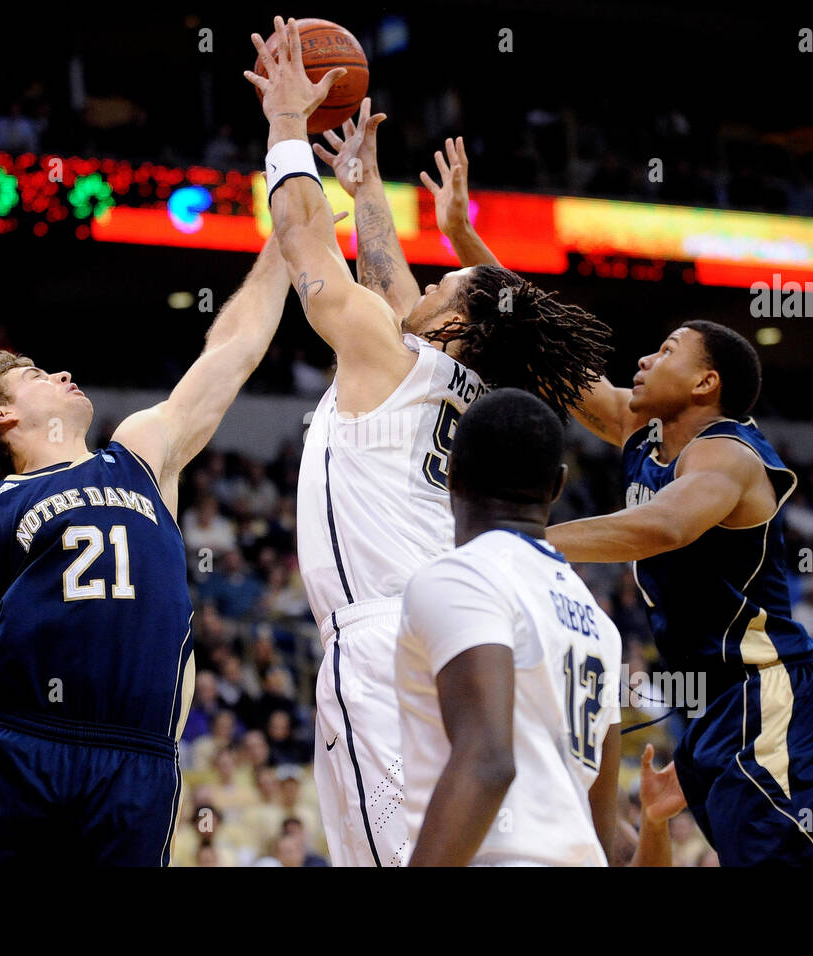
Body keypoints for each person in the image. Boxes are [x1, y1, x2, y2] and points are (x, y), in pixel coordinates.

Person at [246, 16, 611, 866]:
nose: (429, 279)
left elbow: (308, 247)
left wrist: (287, 124)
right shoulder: (454, 378)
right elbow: (388, 281)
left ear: (455, 323)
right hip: (439, 633)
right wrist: (366, 186)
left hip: (379, 645)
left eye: (445, 280)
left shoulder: (391, 356)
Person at [0, 227, 296, 867]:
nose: (64, 372)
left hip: (138, 758)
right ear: (1, 415)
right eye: (38, 375)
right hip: (28, 742)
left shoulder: (141, 452)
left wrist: (287, 240)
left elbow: (237, 347)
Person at [547, 321, 813, 866]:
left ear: (705, 383)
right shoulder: (646, 435)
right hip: (717, 709)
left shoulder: (729, 454)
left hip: (769, 693)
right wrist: (480, 268)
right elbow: (555, 360)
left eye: (667, 349)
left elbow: (666, 525)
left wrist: (525, 539)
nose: (647, 358)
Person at [397, 389, 683, 865]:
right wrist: (653, 825)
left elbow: (488, 762)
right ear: (557, 486)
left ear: (451, 475)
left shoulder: (461, 577)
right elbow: (600, 831)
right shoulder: (598, 622)